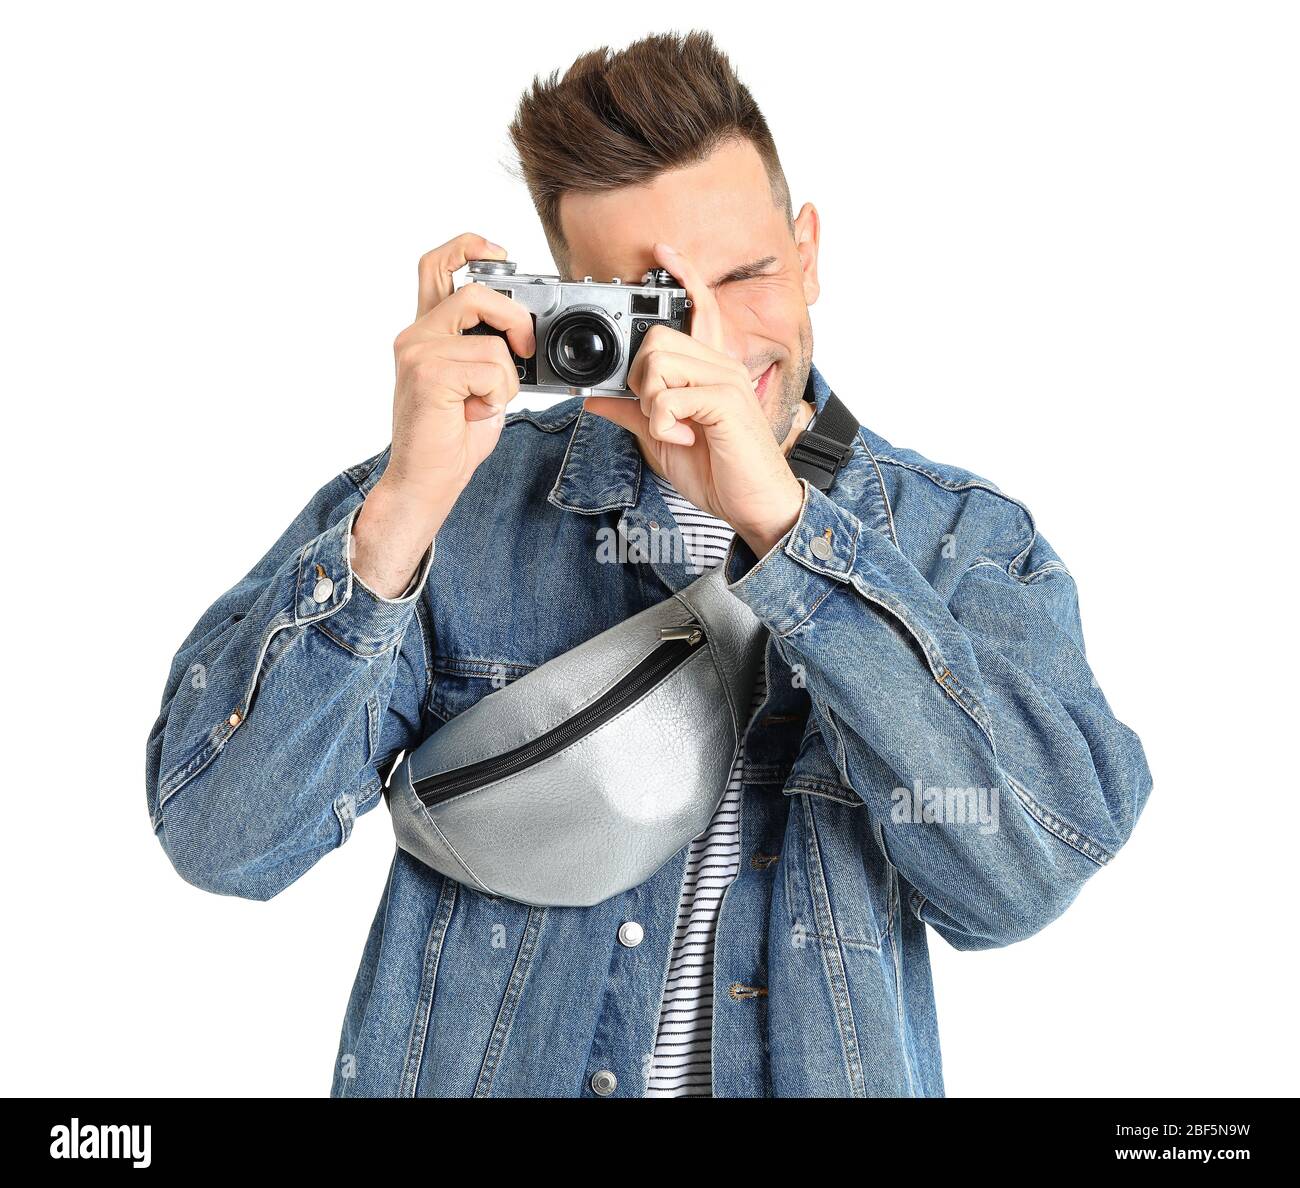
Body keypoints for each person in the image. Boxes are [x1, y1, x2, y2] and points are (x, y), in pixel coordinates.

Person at [146, 29, 1152, 1098]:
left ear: (808, 249)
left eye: (748, 274)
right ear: (560, 313)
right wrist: (405, 504)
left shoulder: (958, 540)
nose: (713, 339)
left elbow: (1021, 882)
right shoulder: (453, 504)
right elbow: (224, 842)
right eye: (654, 306)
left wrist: (782, 522)